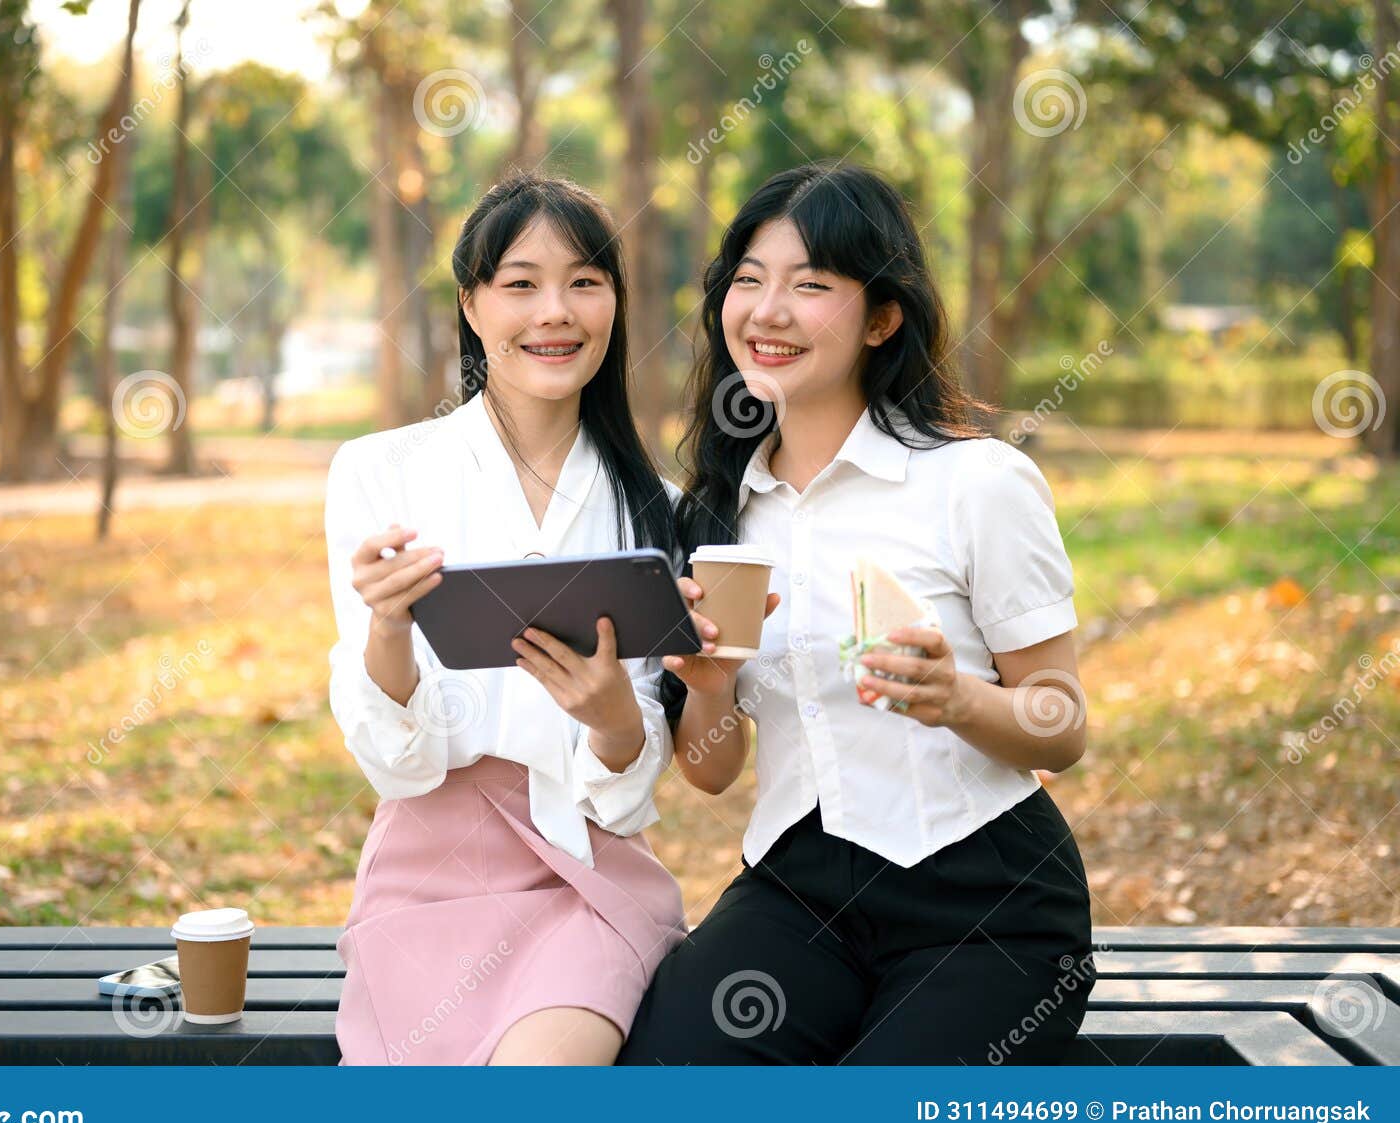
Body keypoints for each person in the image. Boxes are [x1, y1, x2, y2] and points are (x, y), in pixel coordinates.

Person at [617, 162, 1096, 1066]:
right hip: (800, 897)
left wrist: (958, 699)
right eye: (748, 281)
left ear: (882, 318)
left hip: (986, 905)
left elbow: (1062, 726)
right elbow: (710, 775)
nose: (769, 311)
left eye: (811, 285)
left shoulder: (975, 482)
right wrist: (711, 691)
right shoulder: (716, 515)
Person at [325, 173, 687, 1065]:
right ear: (472, 305)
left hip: (589, 875)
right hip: (427, 871)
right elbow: (392, 763)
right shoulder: (382, 474)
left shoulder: (661, 512)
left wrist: (611, 724)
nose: (554, 312)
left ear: (616, 303)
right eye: (521, 283)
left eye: (585, 282)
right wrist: (387, 629)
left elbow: (631, 784)